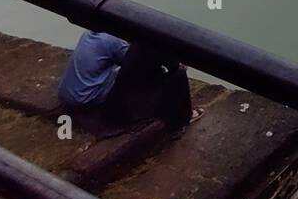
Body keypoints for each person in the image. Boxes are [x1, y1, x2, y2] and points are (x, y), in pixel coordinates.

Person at [58, 30, 198, 130]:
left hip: (67, 95)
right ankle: (183, 117)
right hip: (85, 99)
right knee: (148, 74)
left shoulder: (89, 34)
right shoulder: (111, 40)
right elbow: (135, 65)